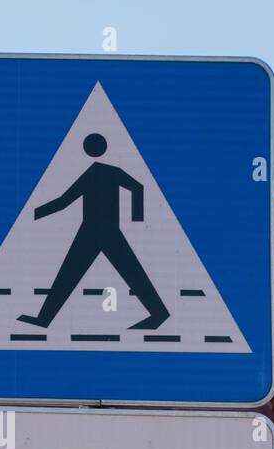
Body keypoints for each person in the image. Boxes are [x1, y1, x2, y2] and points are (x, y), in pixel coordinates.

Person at [19, 133, 170, 331]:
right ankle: (44, 319)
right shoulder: (108, 171)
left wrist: (33, 215)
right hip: (97, 230)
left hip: (99, 230)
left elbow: (63, 202)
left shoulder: (94, 173)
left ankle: (159, 314)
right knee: (70, 274)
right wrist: (136, 217)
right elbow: (137, 188)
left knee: (123, 273)